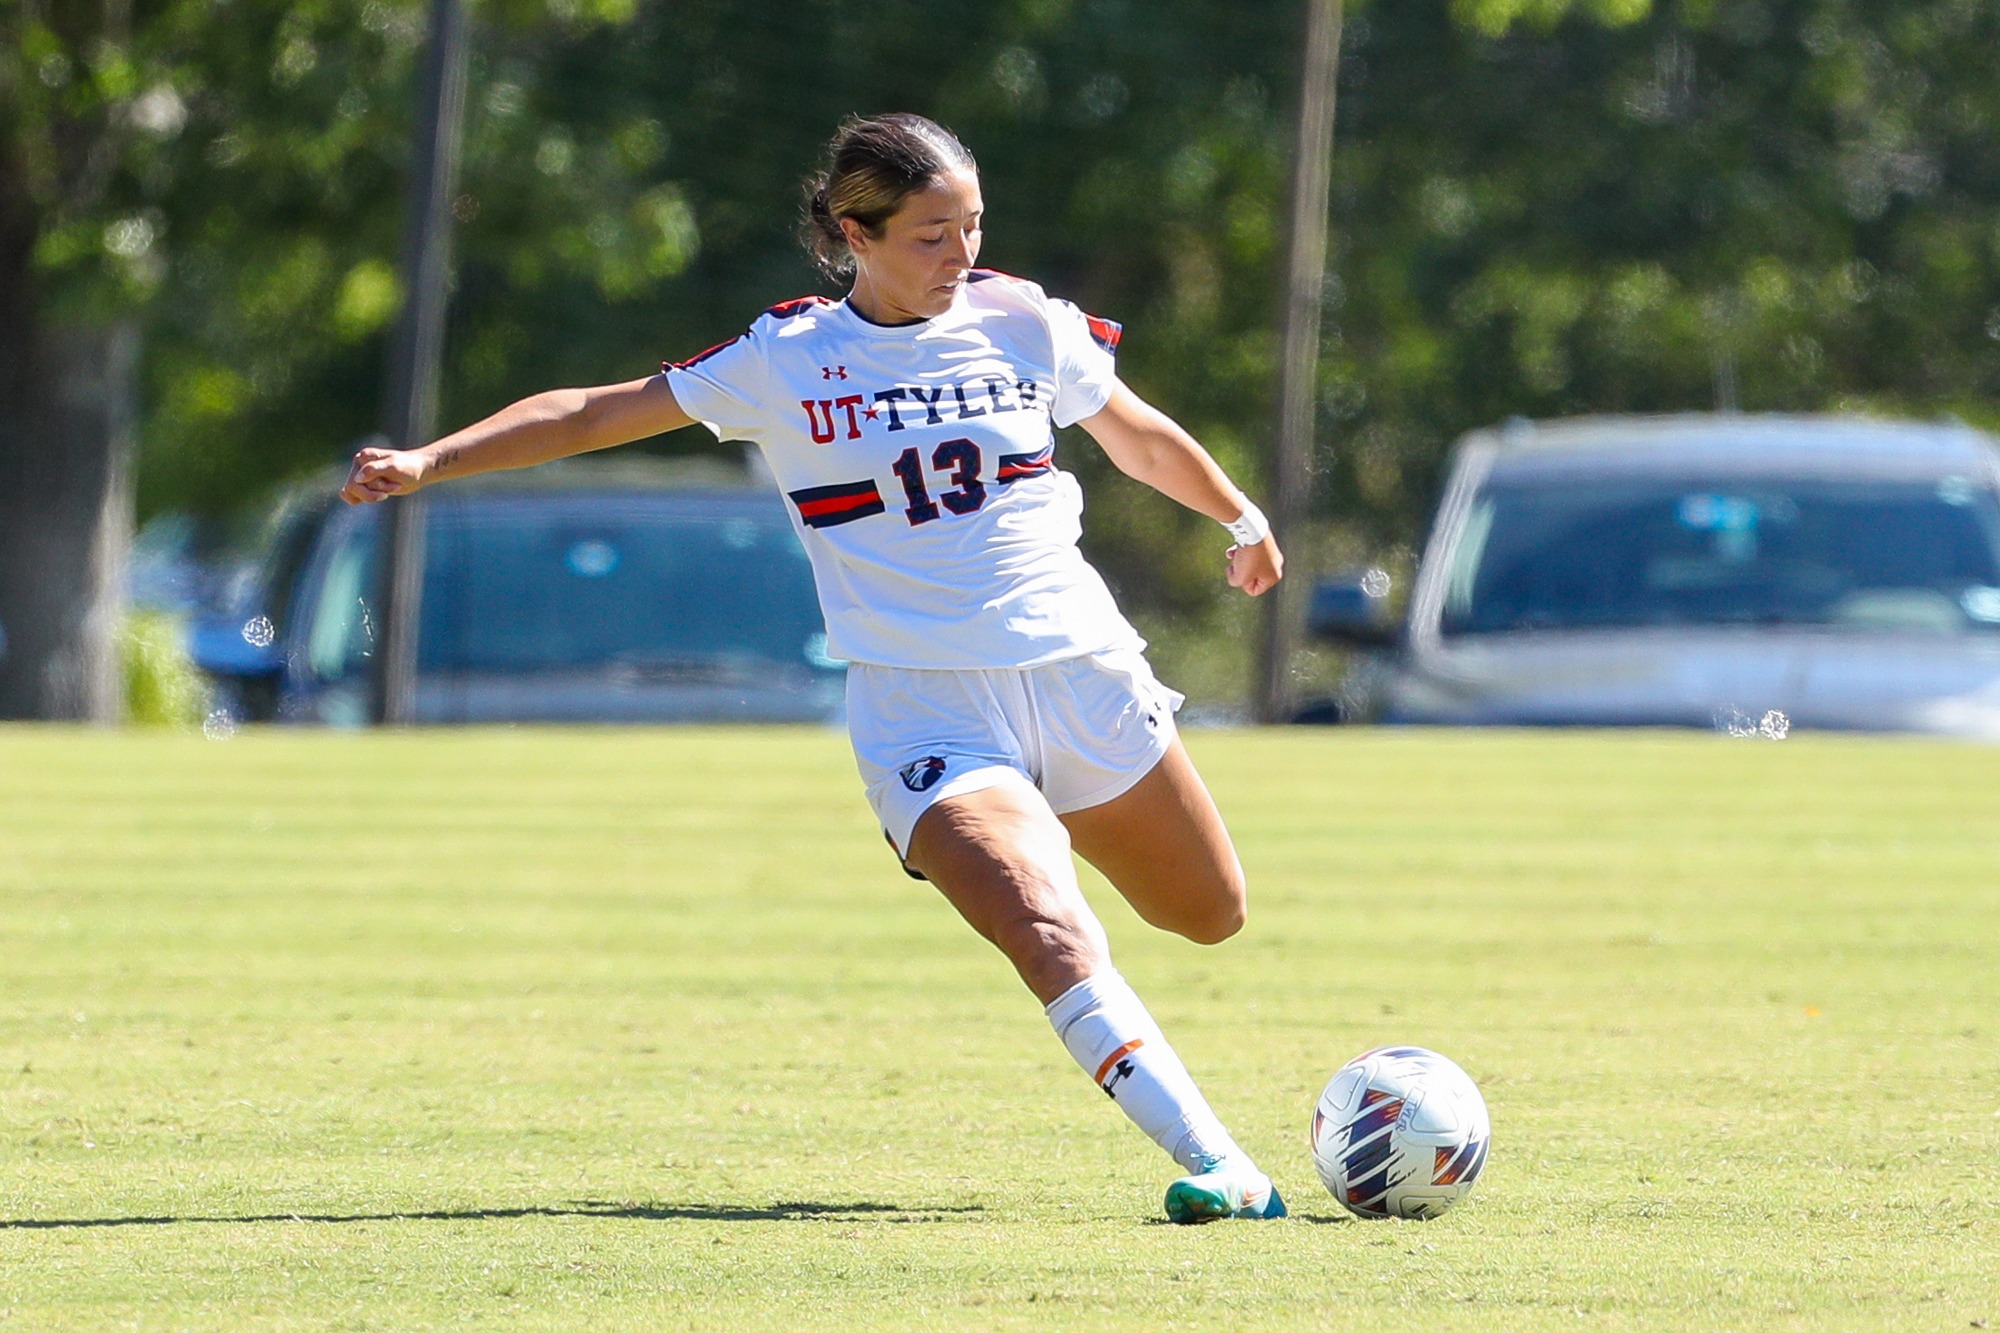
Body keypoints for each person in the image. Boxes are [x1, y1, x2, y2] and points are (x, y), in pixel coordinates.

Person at [341, 112, 1288, 1223]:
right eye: (932, 234)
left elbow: (1133, 431)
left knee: (1208, 911)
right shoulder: (785, 357)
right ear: (854, 232)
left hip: (1082, 673)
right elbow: (596, 412)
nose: (961, 253)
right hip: (926, 710)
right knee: (1043, 925)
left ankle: (1083, 868)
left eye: (973, 226)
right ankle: (1224, 1164)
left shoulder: (1025, 320)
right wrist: (430, 461)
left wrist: (1239, 515)